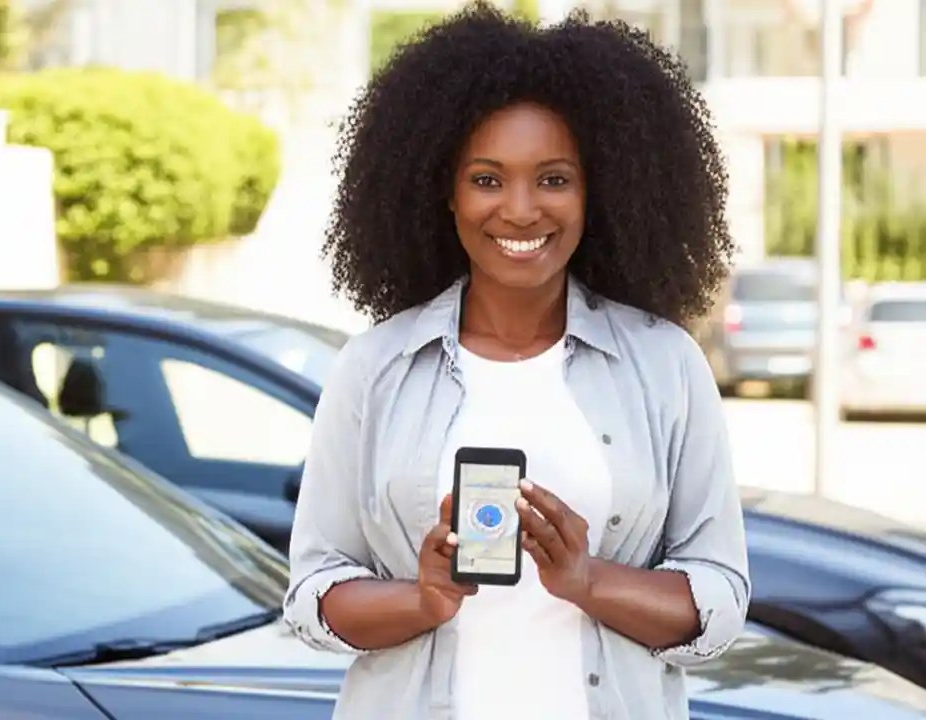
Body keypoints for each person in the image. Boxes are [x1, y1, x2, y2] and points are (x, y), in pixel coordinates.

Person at [282, 5, 750, 720]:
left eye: (554, 179)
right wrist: (423, 598)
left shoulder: (665, 364)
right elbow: (314, 596)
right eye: (488, 179)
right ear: (445, 189)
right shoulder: (374, 367)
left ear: (600, 189)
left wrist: (586, 579)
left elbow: (719, 600)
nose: (522, 210)